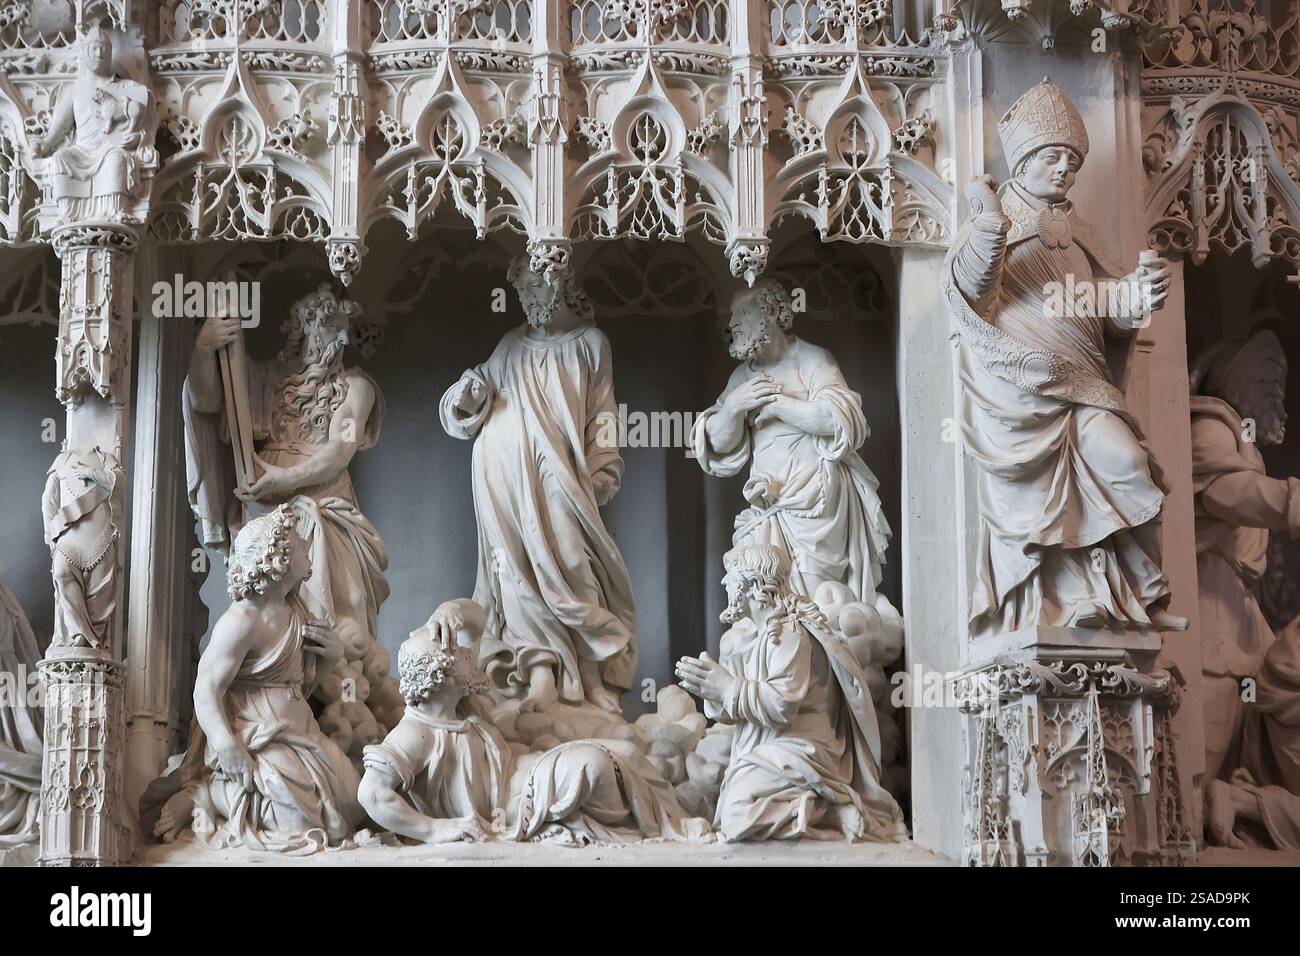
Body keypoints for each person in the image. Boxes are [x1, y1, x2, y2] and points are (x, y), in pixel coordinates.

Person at [941, 78, 1185, 635]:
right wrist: (985, 221)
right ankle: (1062, 602)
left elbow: (1109, 306)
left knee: (1129, 465)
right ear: (1023, 162)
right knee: (1043, 509)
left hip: (1083, 384)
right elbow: (972, 292)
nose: (1064, 171)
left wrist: (1138, 294)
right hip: (1022, 395)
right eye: (1053, 157)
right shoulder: (993, 223)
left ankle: (1142, 595)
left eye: (1072, 162)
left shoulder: (1082, 233)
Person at [184, 284, 399, 746]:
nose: (338, 343)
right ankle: (269, 709)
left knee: (338, 614)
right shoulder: (264, 378)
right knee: (265, 613)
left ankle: (338, 718)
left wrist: (284, 480)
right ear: (302, 330)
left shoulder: (356, 388)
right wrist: (205, 350)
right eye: (328, 331)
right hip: (263, 512)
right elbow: (206, 402)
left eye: (344, 334)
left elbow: (338, 453)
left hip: (326, 511)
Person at [439, 254, 636, 714]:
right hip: (501, 472)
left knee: (571, 559)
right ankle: (540, 671)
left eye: (536, 288)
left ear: (562, 285)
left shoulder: (590, 343)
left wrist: (604, 466)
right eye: (522, 290)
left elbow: (603, 410)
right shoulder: (510, 344)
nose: (529, 299)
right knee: (512, 567)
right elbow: (470, 396)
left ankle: (587, 673)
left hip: (560, 473)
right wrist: (467, 395)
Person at [153, 506, 360, 853]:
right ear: (277, 557)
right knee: (299, 827)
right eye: (298, 543)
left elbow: (305, 683)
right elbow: (206, 689)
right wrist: (227, 746)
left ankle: (233, 793)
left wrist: (333, 655)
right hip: (255, 735)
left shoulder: (297, 611)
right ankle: (204, 794)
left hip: (301, 731)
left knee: (351, 806)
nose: (308, 546)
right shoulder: (241, 622)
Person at [675, 544, 908, 842]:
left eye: (731, 575)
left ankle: (827, 808)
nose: (724, 582)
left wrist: (728, 687)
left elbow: (781, 706)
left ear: (754, 584)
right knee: (734, 814)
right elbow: (743, 709)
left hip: (801, 751)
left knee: (737, 817)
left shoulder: (788, 635)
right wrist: (712, 689)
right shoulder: (764, 635)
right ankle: (818, 809)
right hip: (774, 749)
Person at [692, 279, 893, 606]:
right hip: (769, 502)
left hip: (816, 501)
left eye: (741, 314)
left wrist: (778, 405)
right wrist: (733, 408)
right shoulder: (742, 377)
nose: (731, 325)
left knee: (816, 600)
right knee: (766, 596)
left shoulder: (812, 361)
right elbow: (716, 443)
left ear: (767, 314)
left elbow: (841, 420)